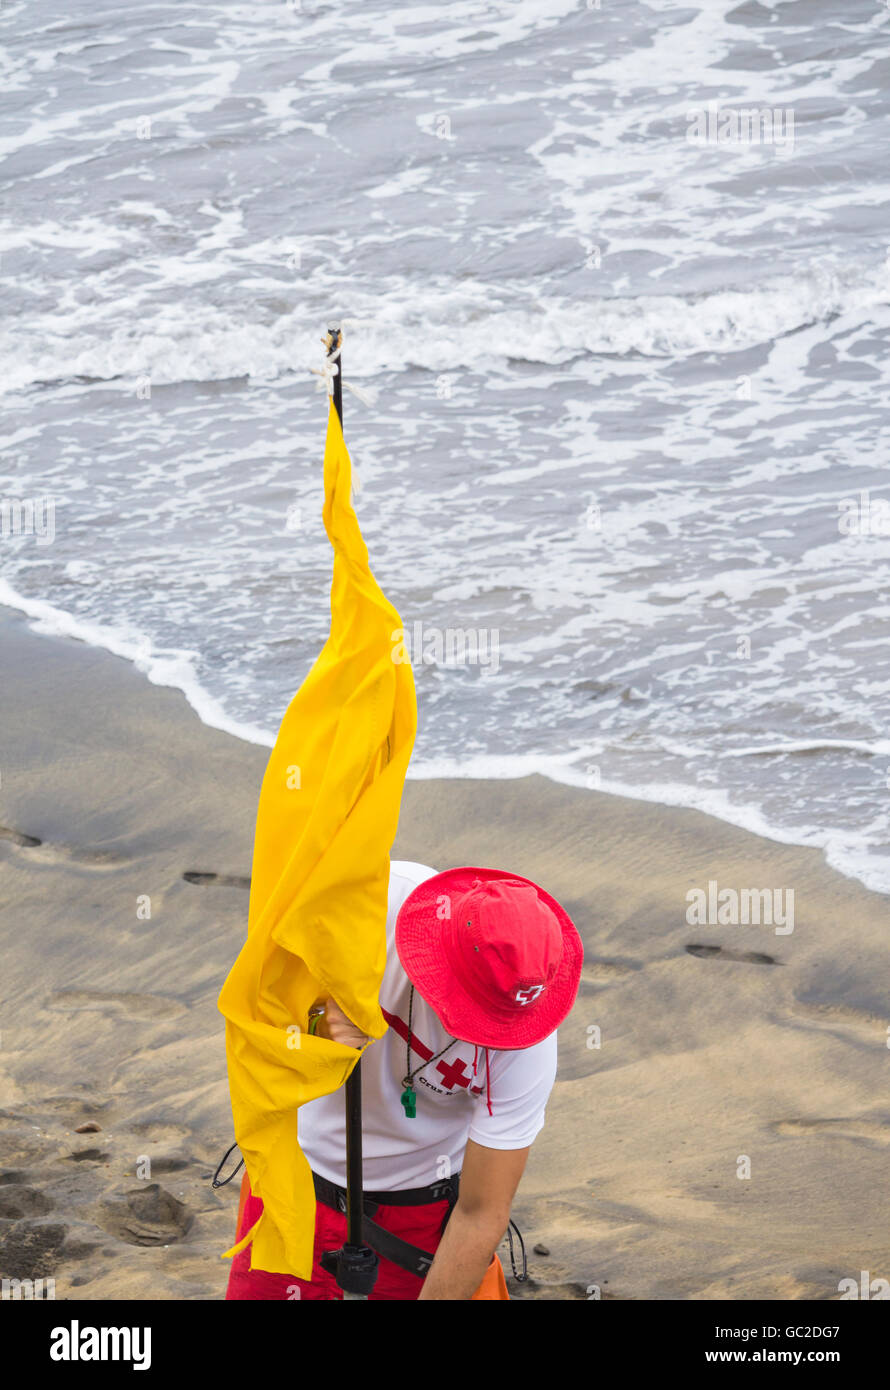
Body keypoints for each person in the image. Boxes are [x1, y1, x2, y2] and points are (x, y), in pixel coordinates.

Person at [225, 860, 583, 1301]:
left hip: (421, 1217)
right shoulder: (371, 905)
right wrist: (314, 1026)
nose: (480, 1033)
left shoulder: (529, 1043)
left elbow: (480, 1213)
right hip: (296, 1184)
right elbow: (253, 1014)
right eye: (472, 1009)